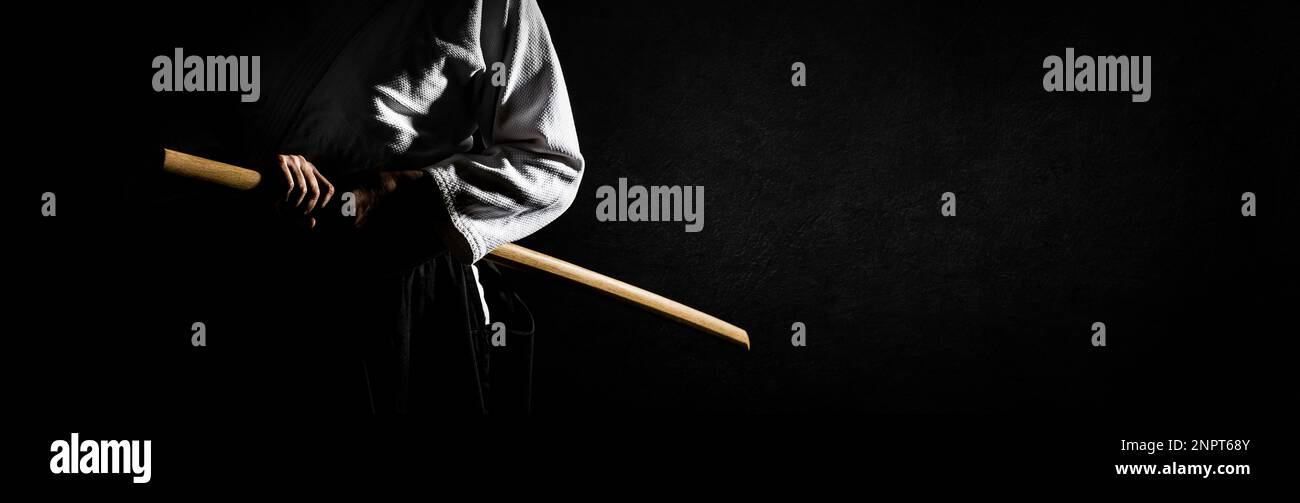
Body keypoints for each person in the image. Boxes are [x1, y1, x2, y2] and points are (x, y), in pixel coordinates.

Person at [194, 0, 583, 414]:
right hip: (243, 253)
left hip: (396, 276)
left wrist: (400, 189)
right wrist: (244, 166)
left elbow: (549, 163)